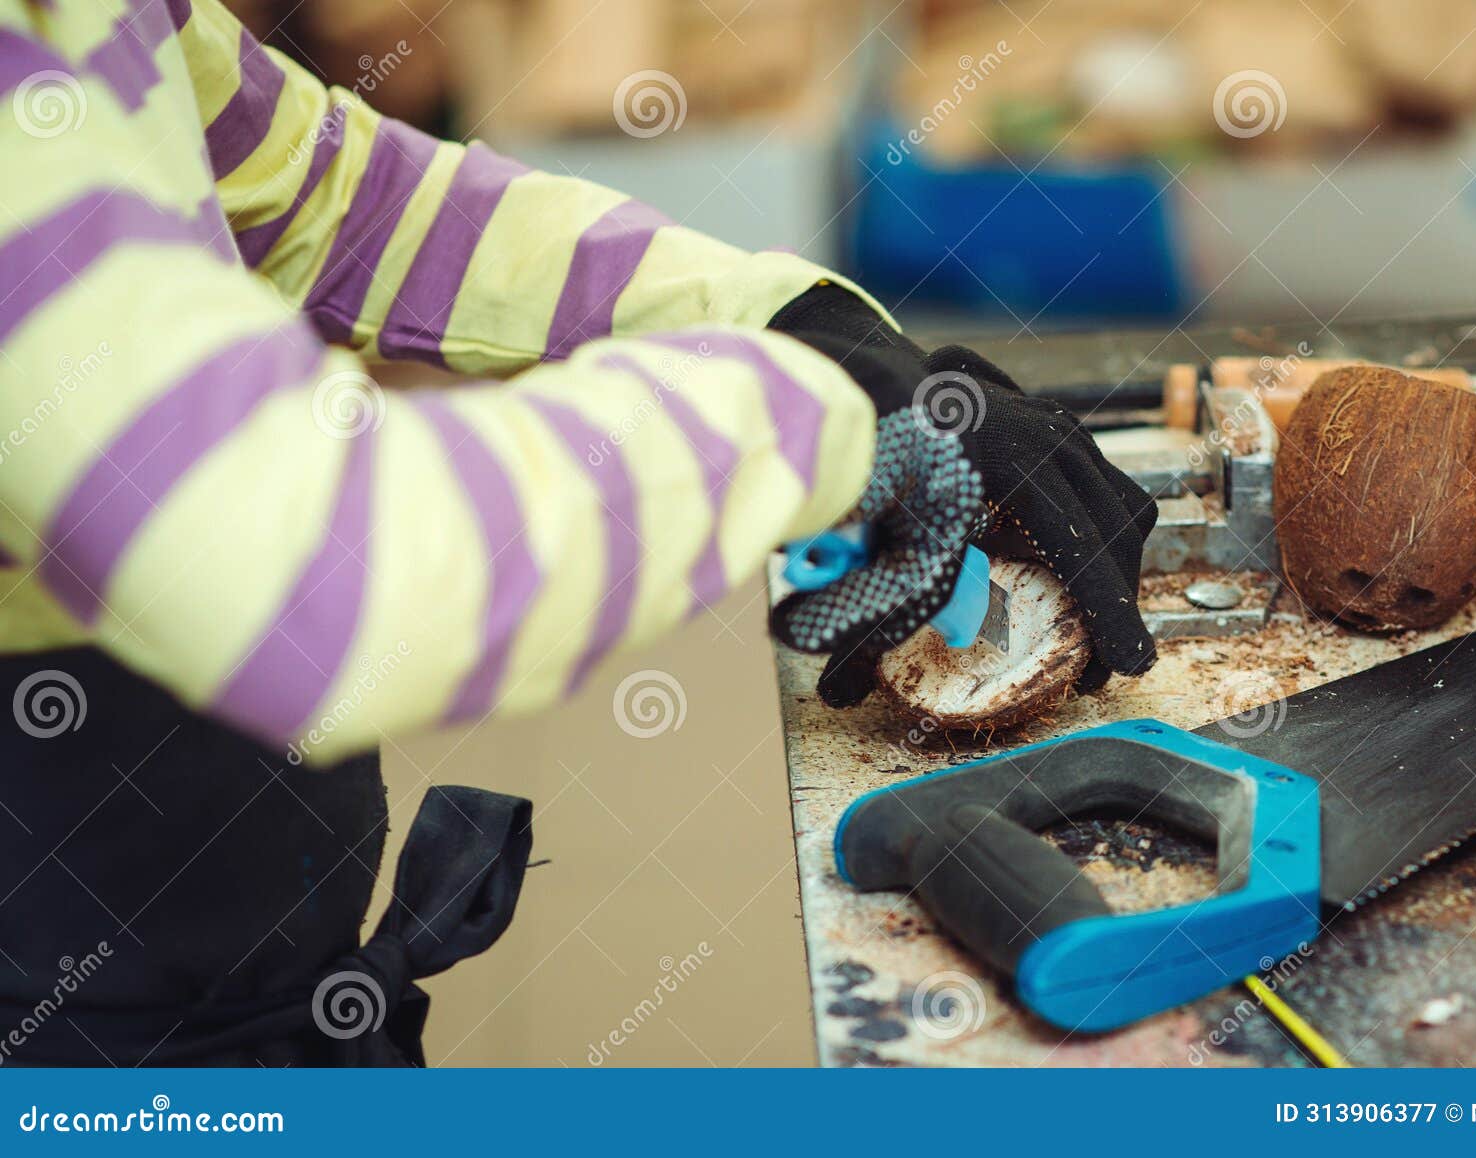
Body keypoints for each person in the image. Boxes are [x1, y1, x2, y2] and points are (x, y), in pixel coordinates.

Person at [0, 0, 1156, 1065]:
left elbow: (337, 204)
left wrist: (798, 323)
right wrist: (802, 424)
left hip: (242, 960)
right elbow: (310, 580)